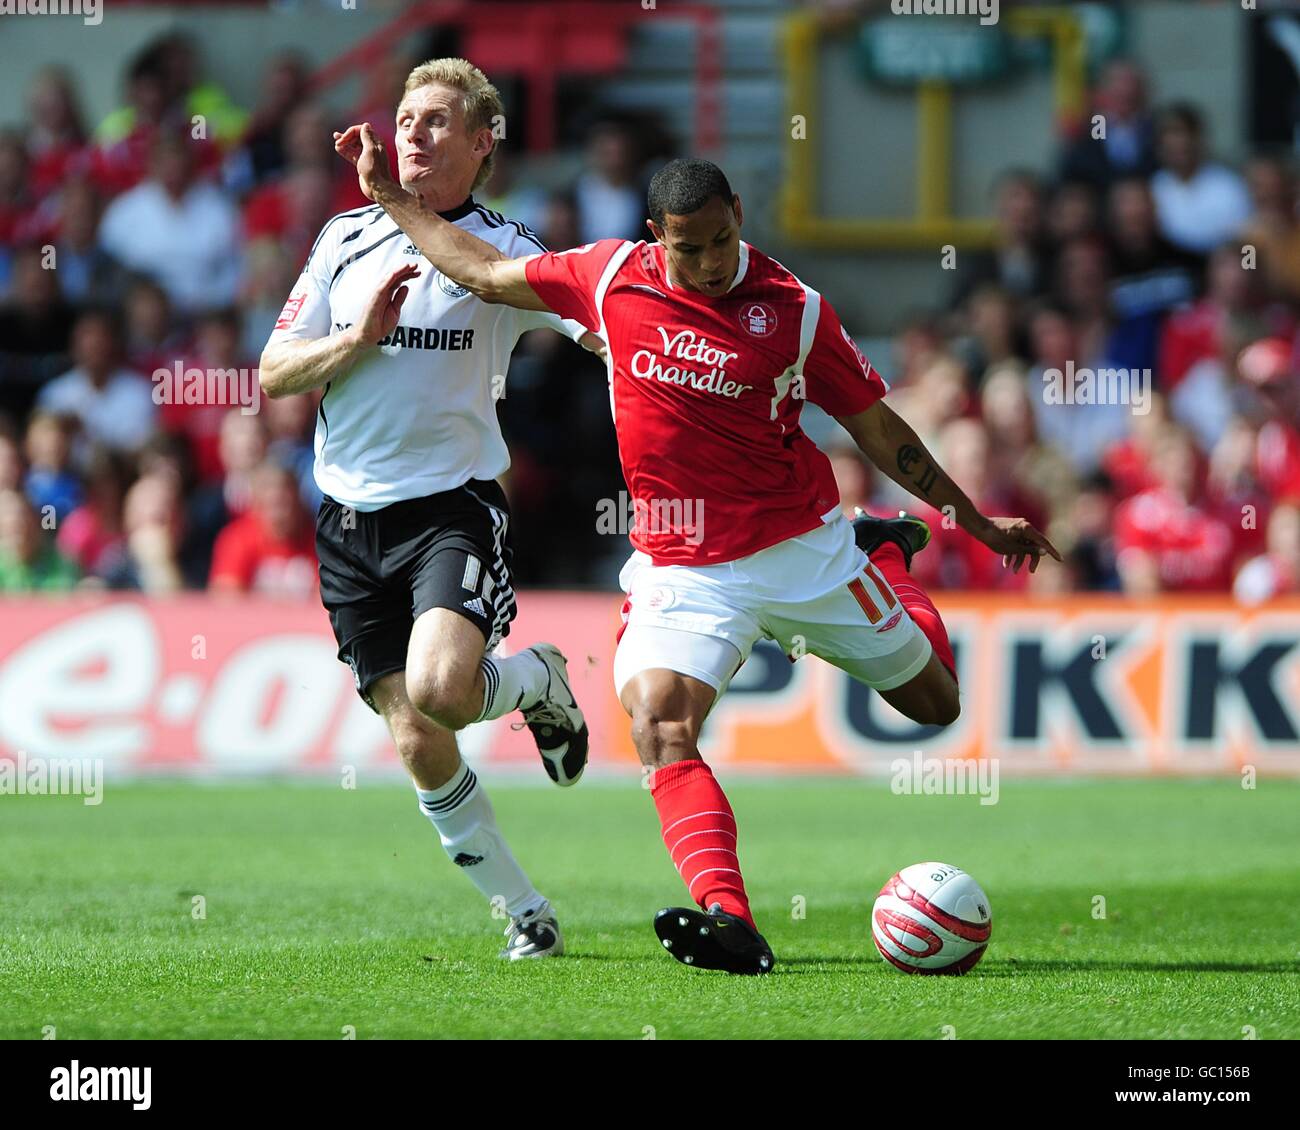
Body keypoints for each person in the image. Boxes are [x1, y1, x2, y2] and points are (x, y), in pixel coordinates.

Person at [338, 132, 1061, 974]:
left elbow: (876, 428)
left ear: (738, 219)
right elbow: (480, 271)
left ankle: (885, 558)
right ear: (656, 235)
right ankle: (731, 922)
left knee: (935, 706)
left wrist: (971, 521)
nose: (711, 261)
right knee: (659, 725)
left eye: (722, 240)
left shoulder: (795, 311)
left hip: (803, 549)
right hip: (681, 568)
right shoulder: (610, 277)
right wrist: (393, 197)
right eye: (690, 247)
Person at [261, 57, 608, 962]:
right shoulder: (341, 237)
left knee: (444, 694)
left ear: (482, 142)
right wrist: (353, 338)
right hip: (344, 522)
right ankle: (526, 912)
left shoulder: (503, 248)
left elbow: (593, 324)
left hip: (450, 508)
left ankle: (534, 680)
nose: (413, 132)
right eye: (406, 116)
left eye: (436, 121)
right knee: (418, 742)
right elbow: (271, 372)